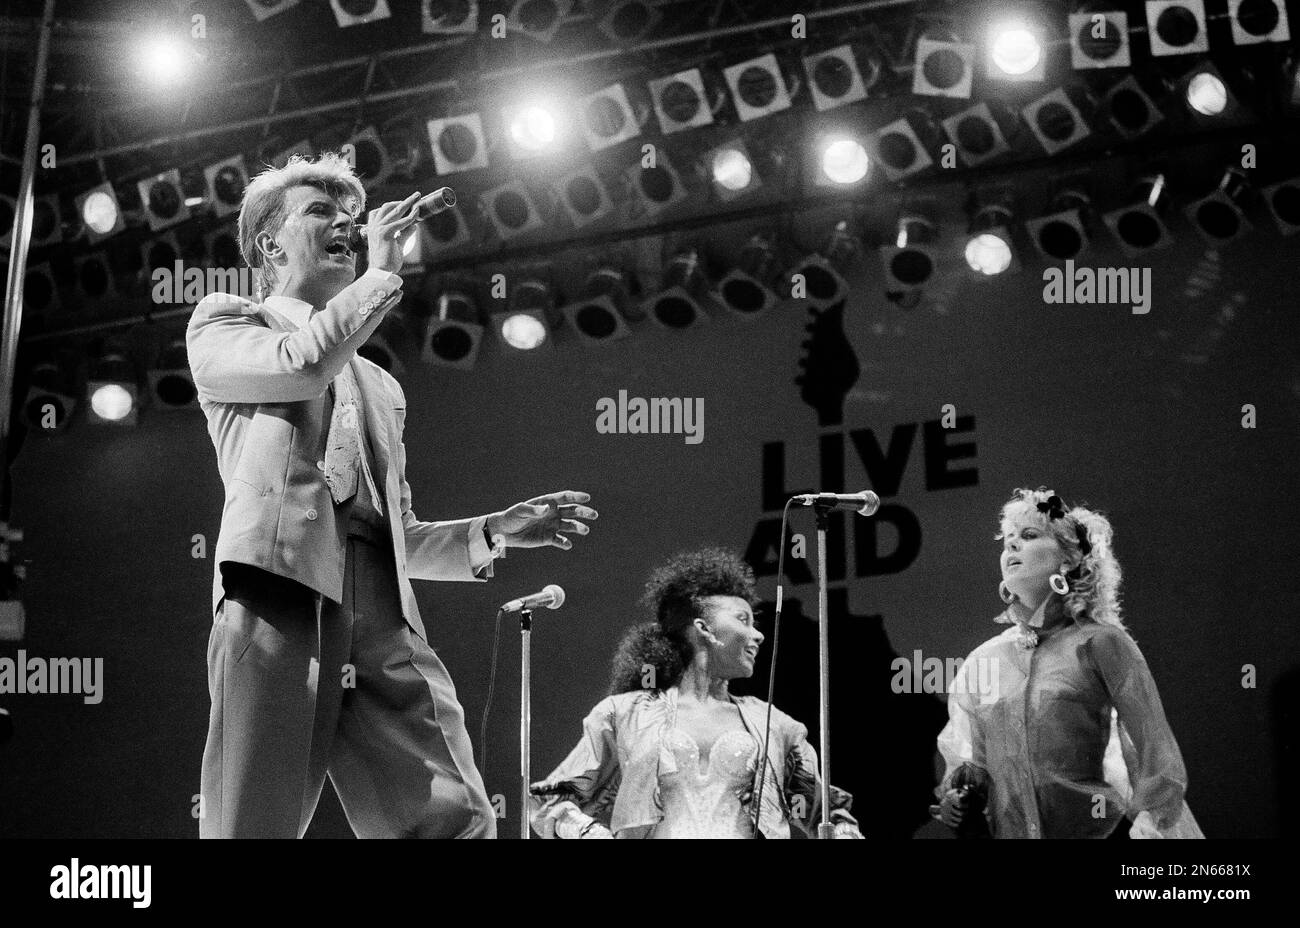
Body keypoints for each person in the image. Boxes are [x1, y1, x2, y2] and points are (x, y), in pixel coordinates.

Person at [186, 152, 597, 838]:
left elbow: (394, 529)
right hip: (281, 593)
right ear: (269, 243)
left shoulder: (382, 384)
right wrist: (380, 278)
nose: (346, 221)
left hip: (383, 614)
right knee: (253, 820)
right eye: (320, 211)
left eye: (351, 212)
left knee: (456, 817)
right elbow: (302, 364)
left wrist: (492, 530)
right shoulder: (228, 321)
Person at [529, 547, 861, 838]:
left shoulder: (775, 724)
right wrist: (591, 835)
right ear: (703, 628)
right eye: (743, 620)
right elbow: (549, 802)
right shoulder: (624, 714)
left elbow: (829, 813)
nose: (757, 635)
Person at [931, 487, 1202, 838]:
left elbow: (1159, 760)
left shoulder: (1101, 642)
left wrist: (1132, 833)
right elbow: (970, 763)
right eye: (1007, 540)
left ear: (1070, 560)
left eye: (1028, 536)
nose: (1011, 546)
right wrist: (957, 796)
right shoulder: (983, 660)